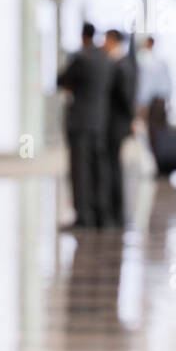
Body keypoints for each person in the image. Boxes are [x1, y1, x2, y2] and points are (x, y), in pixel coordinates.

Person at [57, 23, 111, 229]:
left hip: (80, 122)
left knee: (80, 171)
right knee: (98, 170)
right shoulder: (105, 59)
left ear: (82, 36)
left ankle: (84, 216)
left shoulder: (81, 58)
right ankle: (99, 213)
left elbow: (60, 80)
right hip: (100, 122)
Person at [102, 29, 135, 227]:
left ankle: (115, 212)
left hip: (116, 125)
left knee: (114, 169)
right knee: (112, 168)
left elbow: (125, 98)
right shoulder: (120, 64)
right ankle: (114, 211)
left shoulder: (120, 65)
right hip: (116, 124)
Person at [134, 35, 172, 117]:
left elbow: (144, 83)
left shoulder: (142, 61)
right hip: (157, 101)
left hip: (148, 102)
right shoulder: (160, 62)